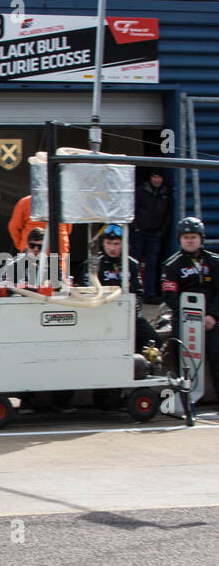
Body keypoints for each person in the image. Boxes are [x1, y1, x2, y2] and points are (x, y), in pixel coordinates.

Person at [160, 216, 219, 400]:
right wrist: (193, 318)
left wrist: (211, 316)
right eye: (186, 237)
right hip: (184, 318)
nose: (190, 240)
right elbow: (170, 297)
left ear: (201, 238)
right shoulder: (171, 265)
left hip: (211, 318)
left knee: (216, 353)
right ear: (180, 240)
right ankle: (186, 399)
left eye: (194, 236)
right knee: (181, 355)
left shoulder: (214, 262)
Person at [84, 224, 157, 351]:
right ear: (103, 243)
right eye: (109, 243)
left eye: (116, 243)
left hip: (129, 314)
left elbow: (139, 292)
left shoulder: (132, 264)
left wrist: (137, 304)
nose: (112, 248)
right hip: (103, 314)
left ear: (123, 243)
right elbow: (85, 292)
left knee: (154, 340)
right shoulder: (94, 264)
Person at [133, 169, 172, 302]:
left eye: (159, 177)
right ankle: (135, 292)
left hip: (155, 235)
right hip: (140, 233)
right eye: (154, 176)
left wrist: (161, 231)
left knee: (152, 265)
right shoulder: (141, 191)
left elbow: (168, 215)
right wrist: (136, 228)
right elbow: (133, 209)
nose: (156, 180)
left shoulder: (166, 193)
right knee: (135, 264)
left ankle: (150, 294)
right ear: (150, 178)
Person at [8, 193, 71, 262]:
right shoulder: (63, 203)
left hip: (33, 248)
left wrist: (21, 245)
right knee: (58, 270)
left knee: (30, 271)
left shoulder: (26, 202)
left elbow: (13, 227)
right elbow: (68, 228)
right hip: (58, 248)